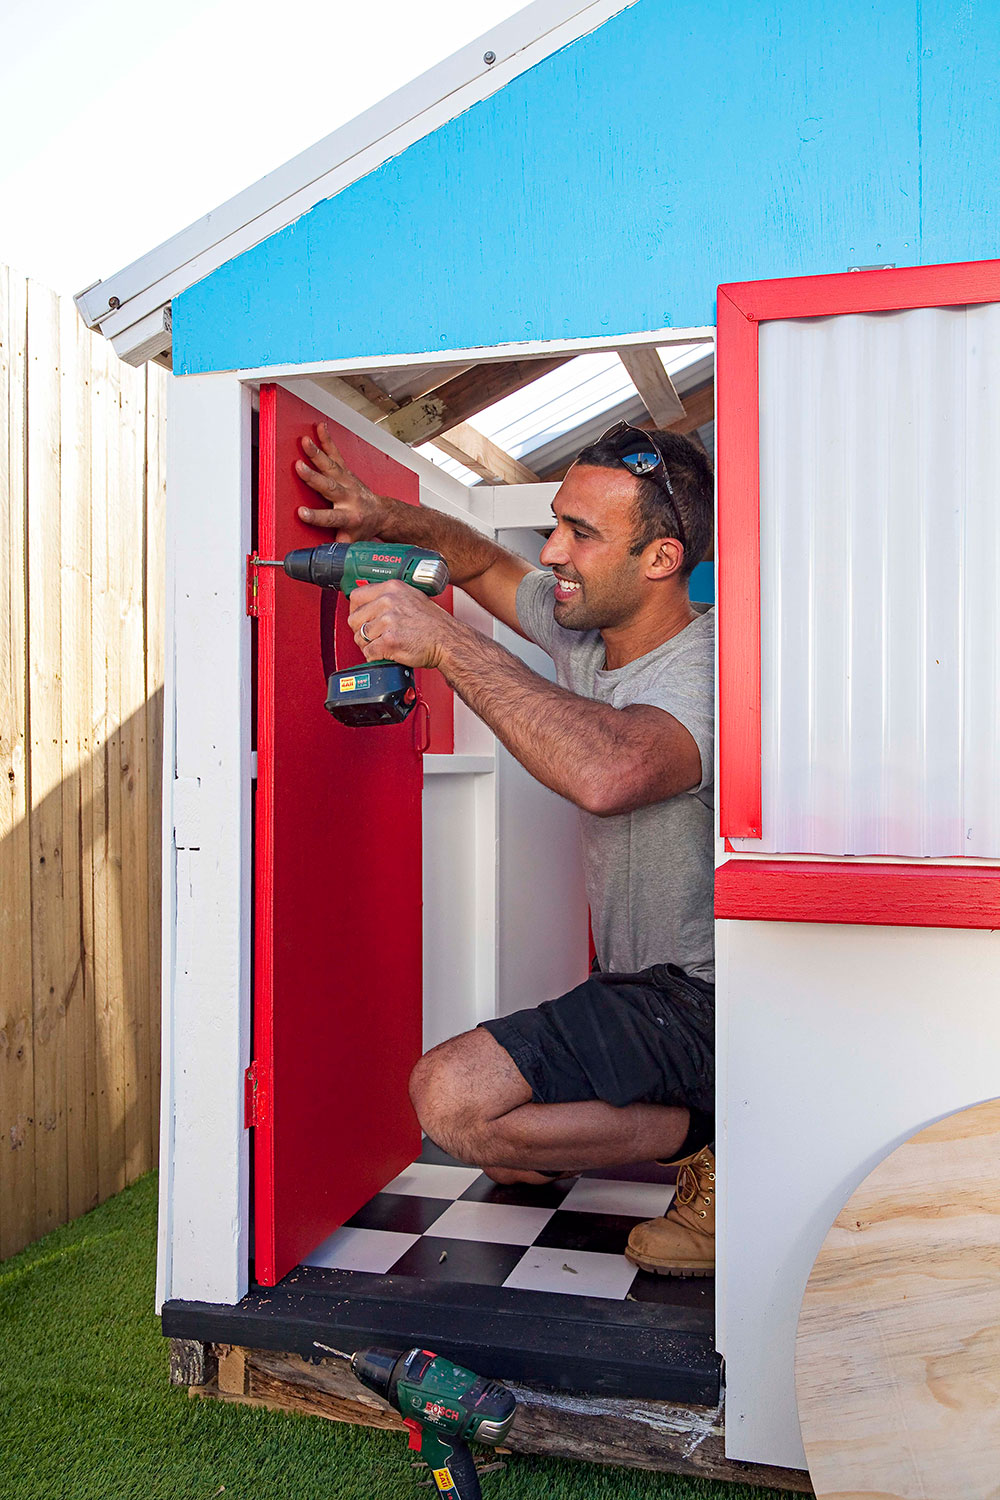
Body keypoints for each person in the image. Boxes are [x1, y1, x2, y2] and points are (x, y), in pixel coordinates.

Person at [295, 418, 717, 1277]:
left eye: (580, 533)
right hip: (637, 984)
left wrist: (446, 643)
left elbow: (610, 769)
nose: (552, 550)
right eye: (557, 521)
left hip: (712, 999)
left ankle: (722, 1134)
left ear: (661, 560)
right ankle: (694, 1113)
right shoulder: (585, 626)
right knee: (510, 1149)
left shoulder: (707, 671)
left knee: (450, 1101)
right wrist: (384, 516)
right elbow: (483, 561)